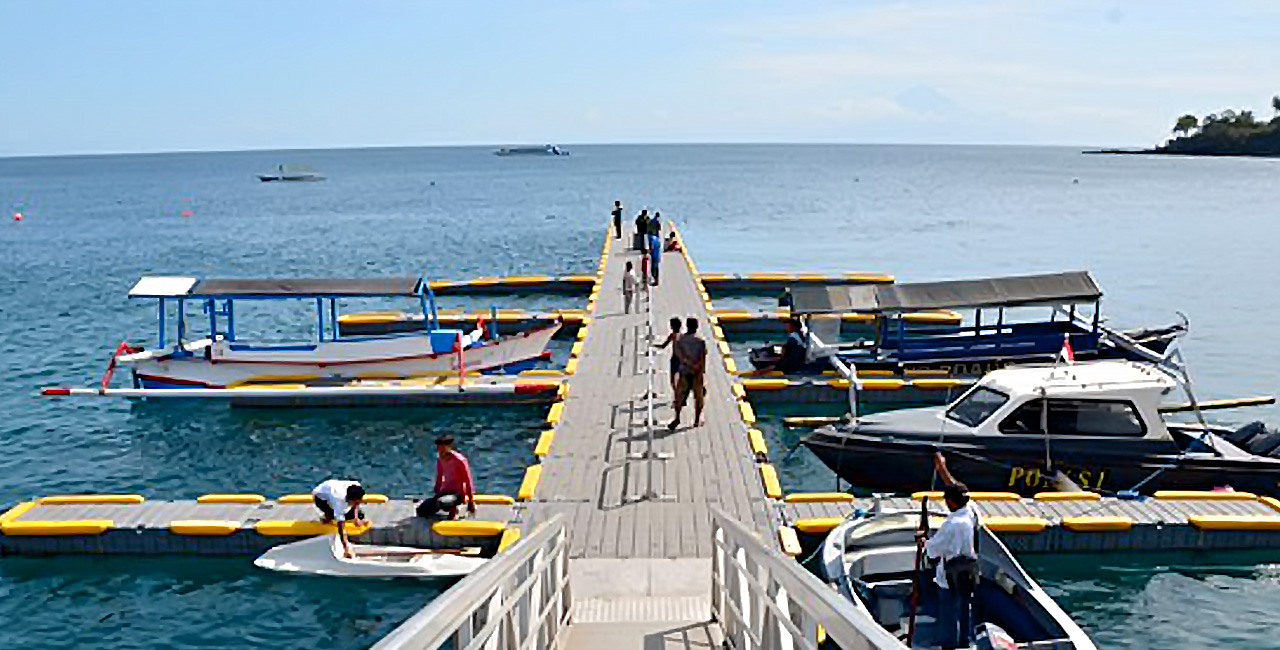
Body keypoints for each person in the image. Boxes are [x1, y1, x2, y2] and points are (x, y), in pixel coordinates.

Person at [919, 452, 978, 650]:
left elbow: (933, 552)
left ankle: (950, 645)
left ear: (951, 502)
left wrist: (923, 541)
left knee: (949, 613)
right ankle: (966, 642)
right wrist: (942, 469)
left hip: (949, 576)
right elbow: (958, 490)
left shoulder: (951, 525)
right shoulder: (970, 512)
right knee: (965, 608)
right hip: (969, 572)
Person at [416, 435, 476, 520]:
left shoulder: (459, 460)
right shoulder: (440, 459)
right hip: (445, 491)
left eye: (442, 448)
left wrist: (470, 500)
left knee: (442, 502)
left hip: (457, 493)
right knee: (421, 510)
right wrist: (436, 491)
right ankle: (440, 507)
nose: (440, 451)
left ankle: (454, 510)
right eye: (439, 448)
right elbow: (439, 476)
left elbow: (468, 480)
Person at [311, 478, 367, 558]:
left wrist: (356, 518)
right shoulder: (338, 500)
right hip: (320, 496)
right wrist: (346, 548)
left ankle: (332, 515)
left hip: (332, 488)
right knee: (333, 516)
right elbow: (341, 526)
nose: (356, 504)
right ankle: (326, 517)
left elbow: (356, 504)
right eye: (354, 502)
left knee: (360, 515)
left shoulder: (356, 486)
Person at [669, 317, 707, 430]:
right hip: (697, 373)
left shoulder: (680, 340)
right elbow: (702, 358)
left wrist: (688, 363)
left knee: (679, 396)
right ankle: (696, 420)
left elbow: (679, 355)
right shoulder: (701, 341)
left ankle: (677, 417)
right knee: (698, 397)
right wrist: (698, 369)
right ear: (697, 326)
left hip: (684, 371)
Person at [654, 317, 683, 391]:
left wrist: (654, 345)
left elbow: (663, 346)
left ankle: (677, 395)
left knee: (673, 380)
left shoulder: (673, 335)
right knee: (680, 380)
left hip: (675, 359)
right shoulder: (682, 336)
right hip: (682, 359)